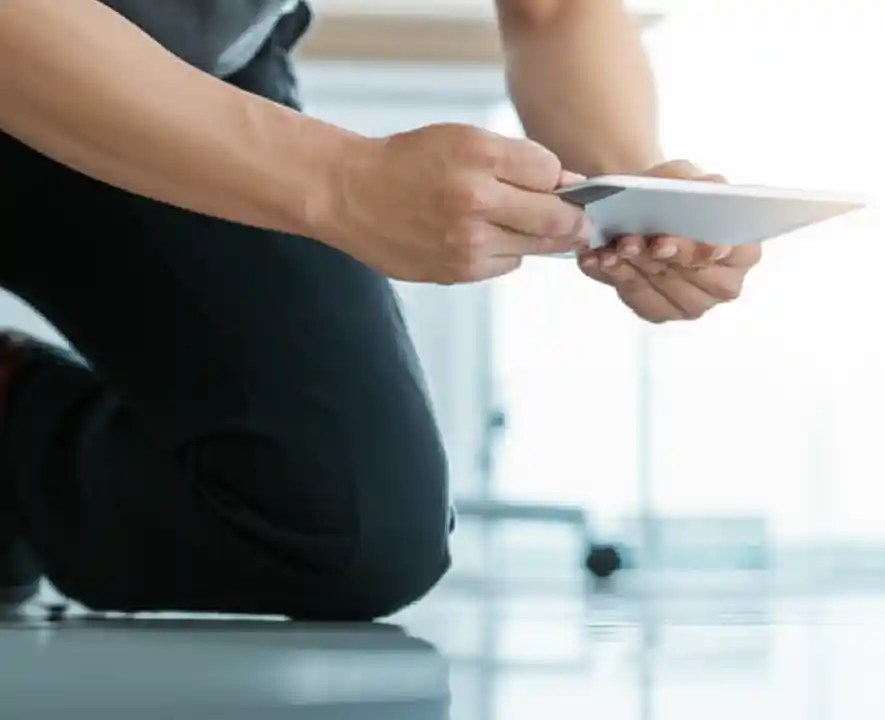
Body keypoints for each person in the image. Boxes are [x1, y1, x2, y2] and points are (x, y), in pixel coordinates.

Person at [0, 0, 762, 619]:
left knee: (347, 529)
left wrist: (633, 198)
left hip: (181, 80)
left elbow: (556, 11)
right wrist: (339, 183)